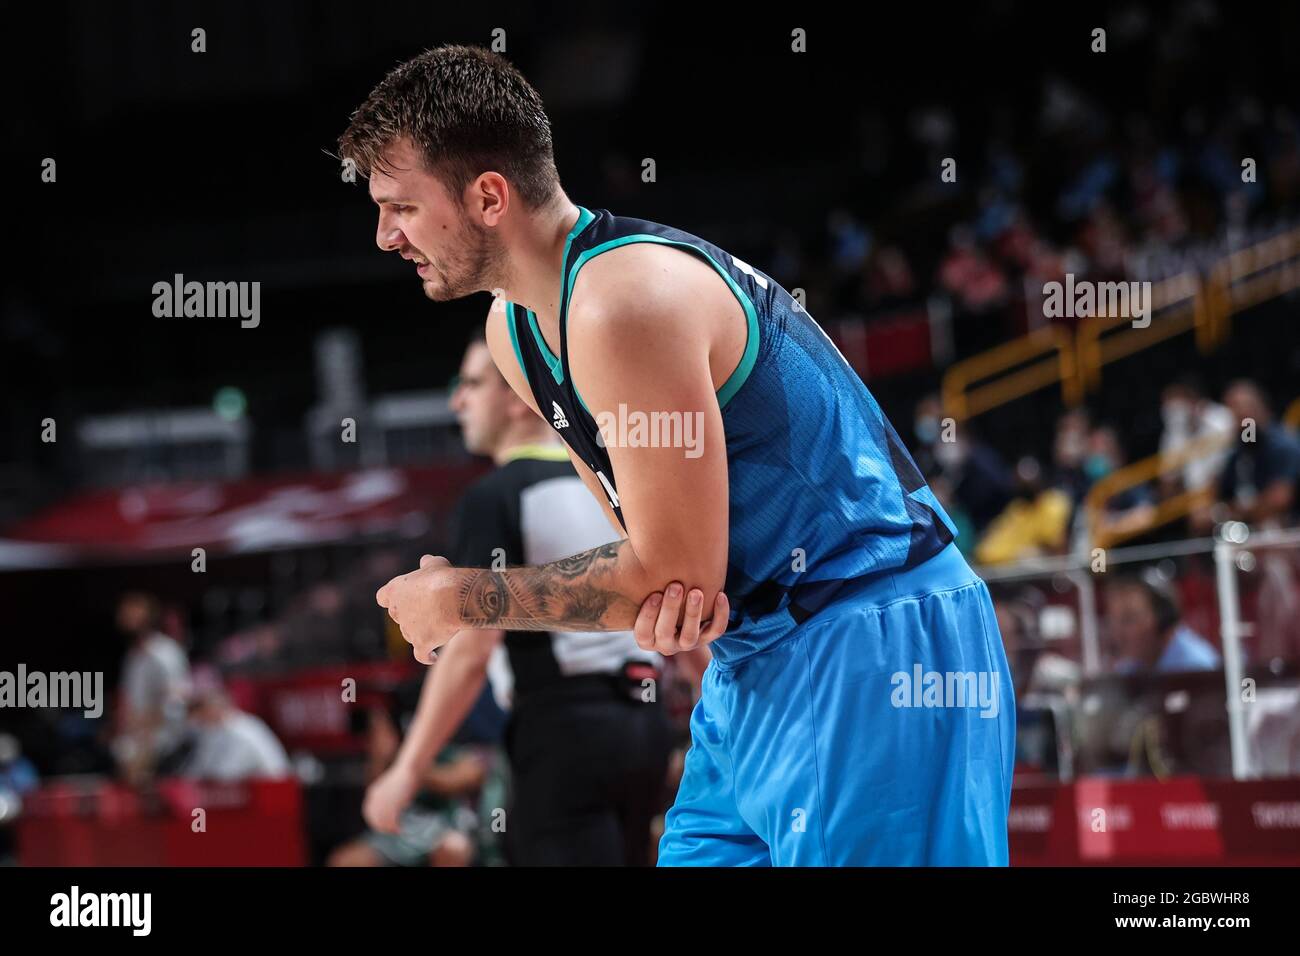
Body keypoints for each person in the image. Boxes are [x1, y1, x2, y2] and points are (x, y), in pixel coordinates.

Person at [342, 45, 1014, 865]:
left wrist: (463, 599)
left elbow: (667, 569)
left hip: (870, 633)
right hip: (754, 653)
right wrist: (665, 593)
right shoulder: (514, 328)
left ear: (488, 196)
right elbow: (654, 565)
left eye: (401, 207)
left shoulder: (624, 301)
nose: (384, 236)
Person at [362, 335, 675, 865]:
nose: (456, 401)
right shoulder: (613, 477)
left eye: (472, 384)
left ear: (516, 398)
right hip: (648, 725)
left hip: (563, 731)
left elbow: (473, 646)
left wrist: (408, 771)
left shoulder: (495, 495)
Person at [113, 592, 191, 783]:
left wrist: (147, 731)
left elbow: (176, 704)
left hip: (165, 738)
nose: (126, 617)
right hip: (135, 736)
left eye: (133, 612)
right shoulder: (133, 656)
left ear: (148, 616)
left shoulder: (166, 653)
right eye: (124, 613)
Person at [1106, 574, 1220, 674]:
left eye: (1129, 620)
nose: (1118, 634)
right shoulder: (1129, 668)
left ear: (1163, 619)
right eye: (1114, 621)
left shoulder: (1198, 668)